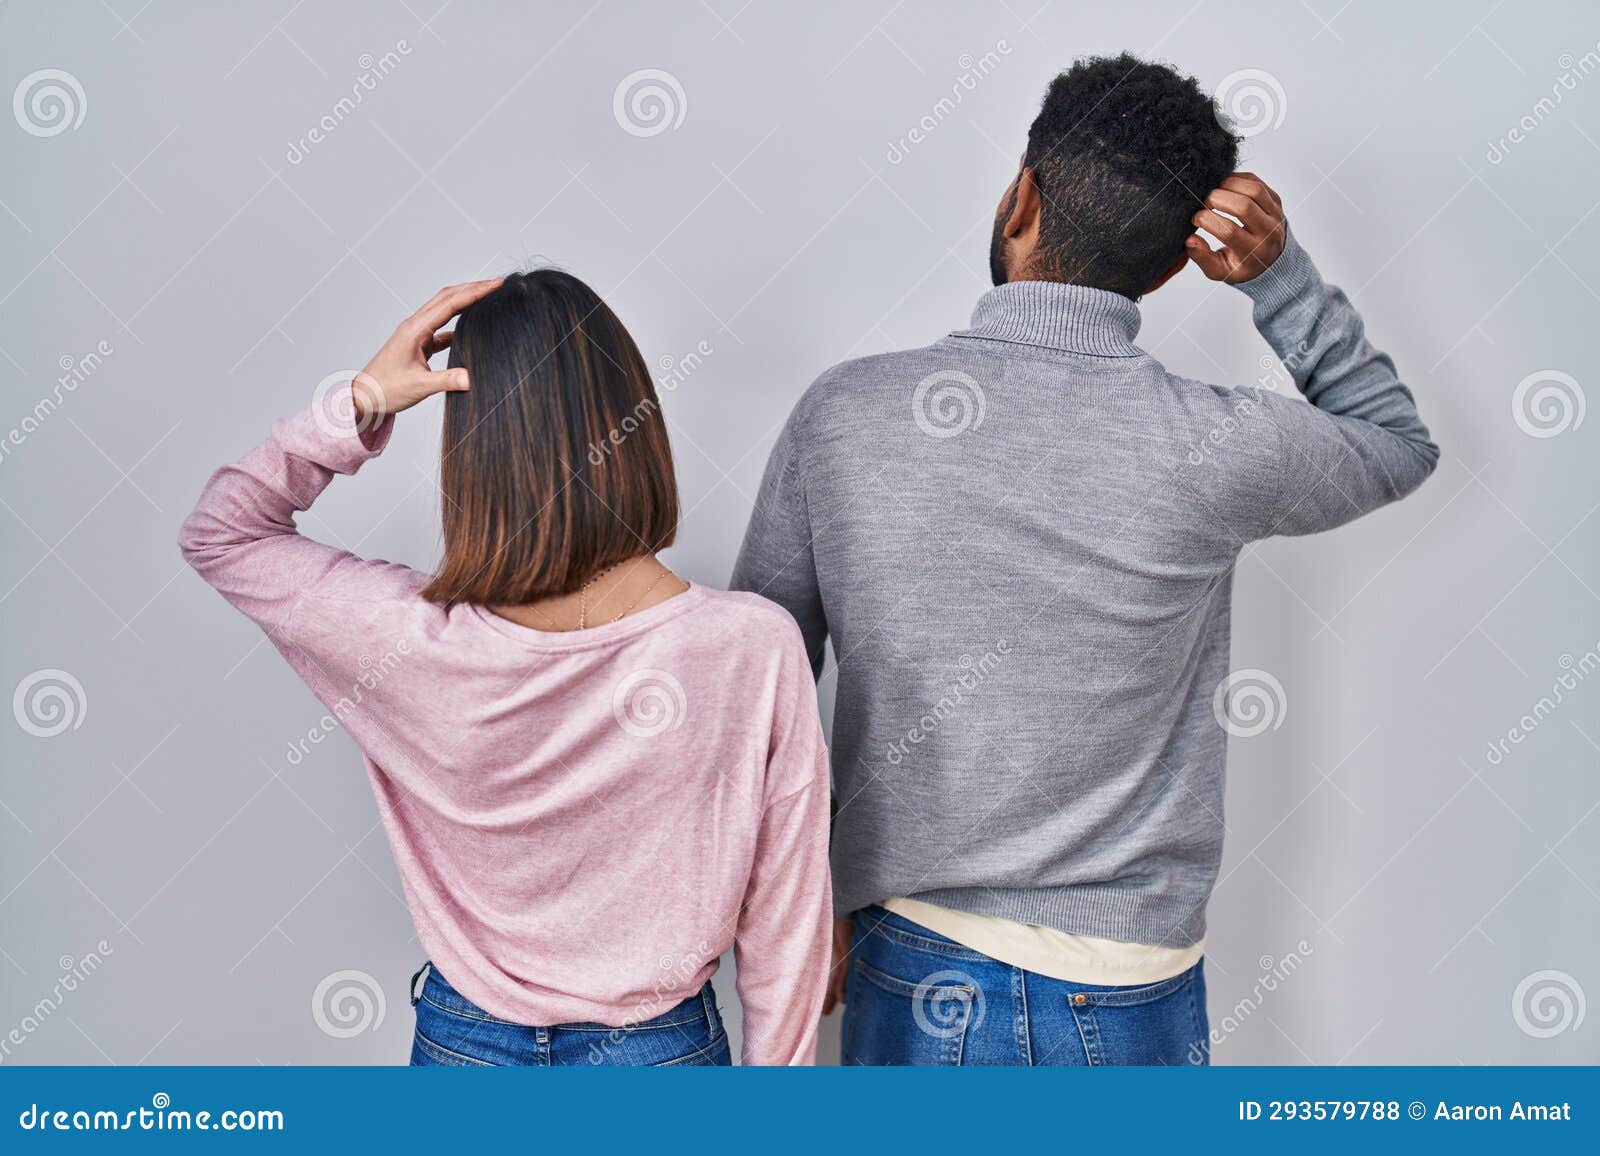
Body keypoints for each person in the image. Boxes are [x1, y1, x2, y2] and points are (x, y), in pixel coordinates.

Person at [732, 53, 1439, 1065]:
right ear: (1170, 270)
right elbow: (1396, 441)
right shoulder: (1218, 442)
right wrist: (1276, 277)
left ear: (1021, 199)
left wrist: (801, 897)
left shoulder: (846, 415)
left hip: (921, 971)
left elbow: (754, 689)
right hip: (1134, 989)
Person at [181, 272, 832, 1066]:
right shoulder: (749, 647)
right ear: (636, 424)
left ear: (472, 452)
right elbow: (786, 924)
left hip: (465, 1050)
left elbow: (221, 533)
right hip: (656, 1057)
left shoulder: (402, 638)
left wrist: (363, 402)